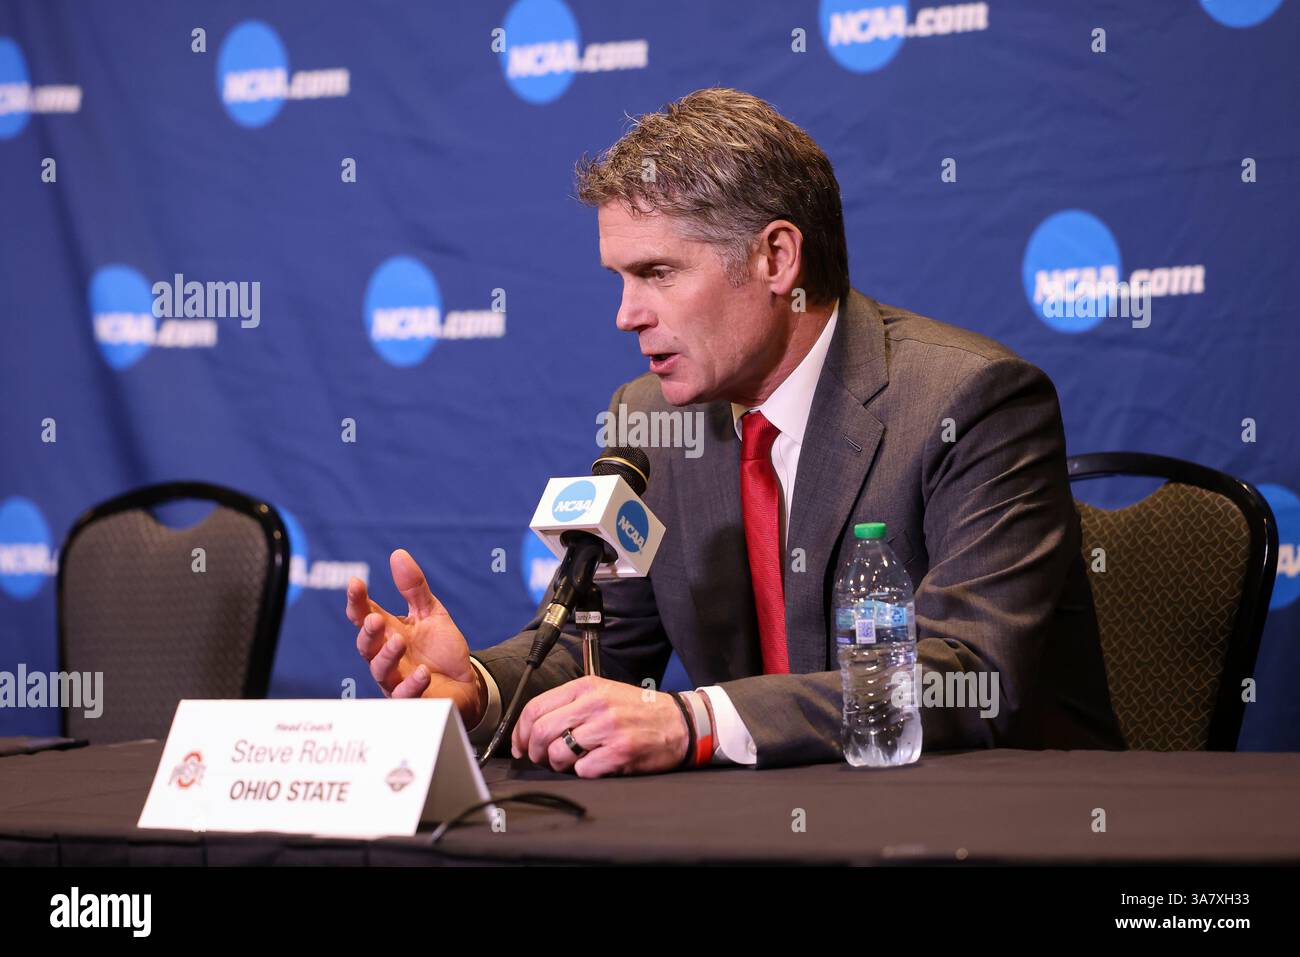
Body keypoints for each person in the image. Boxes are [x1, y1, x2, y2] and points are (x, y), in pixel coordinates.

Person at [345, 87, 1124, 777]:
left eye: (657, 273)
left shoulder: (971, 402)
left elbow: (972, 675)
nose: (627, 314)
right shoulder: (650, 419)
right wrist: (477, 687)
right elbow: (611, 643)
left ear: (776, 258)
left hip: (993, 820)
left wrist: (696, 719)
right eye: (619, 279)